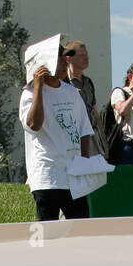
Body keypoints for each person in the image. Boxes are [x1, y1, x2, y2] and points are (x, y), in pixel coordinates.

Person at [20, 40, 94, 221]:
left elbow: (84, 131)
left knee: (81, 231)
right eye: (60, 60)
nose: (65, 63)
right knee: (50, 235)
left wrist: (83, 166)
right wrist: (38, 87)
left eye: (65, 59)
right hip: (48, 177)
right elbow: (34, 125)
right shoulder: (29, 94)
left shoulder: (71, 92)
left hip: (73, 176)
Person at [63, 39, 96, 113]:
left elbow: (94, 110)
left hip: (90, 124)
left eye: (86, 54)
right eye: (81, 55)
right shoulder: (63, 82)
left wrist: (100, 124)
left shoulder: (88, 82)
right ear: (69, 58)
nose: (86, 58)